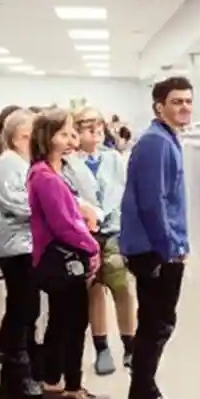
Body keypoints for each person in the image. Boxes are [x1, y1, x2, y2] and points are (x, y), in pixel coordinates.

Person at [121, 77, 194, 399]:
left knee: (157, 323)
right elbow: (153, 203)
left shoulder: (164, 140)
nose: (184, 107)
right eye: (177, 101)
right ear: (159, 106)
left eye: (188, 101)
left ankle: (147, 393)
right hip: (155, 251)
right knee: (156, 325)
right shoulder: (156, 144)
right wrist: (170, 251)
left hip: (158, 248)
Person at [27, 108, 112, 399]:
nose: (71, 140)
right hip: (61, 261)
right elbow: (64, 224)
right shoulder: (46, 178)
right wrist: (92, 247)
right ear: (46, 138)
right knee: (73, 324)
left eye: (71, 133)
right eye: (63, 134)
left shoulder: (51, 173)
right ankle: (72, 389)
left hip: (53, 258)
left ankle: (53, 385)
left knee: (60, 323)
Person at [65, 107, 135, 374]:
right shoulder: (69, 162)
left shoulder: (114, 158)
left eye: (98, 125)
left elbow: (124, 191)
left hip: (115, 230)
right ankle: (102, 348)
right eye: (86, 126)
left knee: (123, 288)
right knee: (94, 290)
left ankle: (130, 345)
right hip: (86, 234)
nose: (94, 130)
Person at [0, 107, 44, 399]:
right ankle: (15, 379)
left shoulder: (23, 163)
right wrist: (49, 207)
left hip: (25, 244)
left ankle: (29, 370)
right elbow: (17, 203)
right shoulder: (8, 164)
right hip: (15, 247)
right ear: (21, 136)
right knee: (22, 309)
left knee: (27, 308)